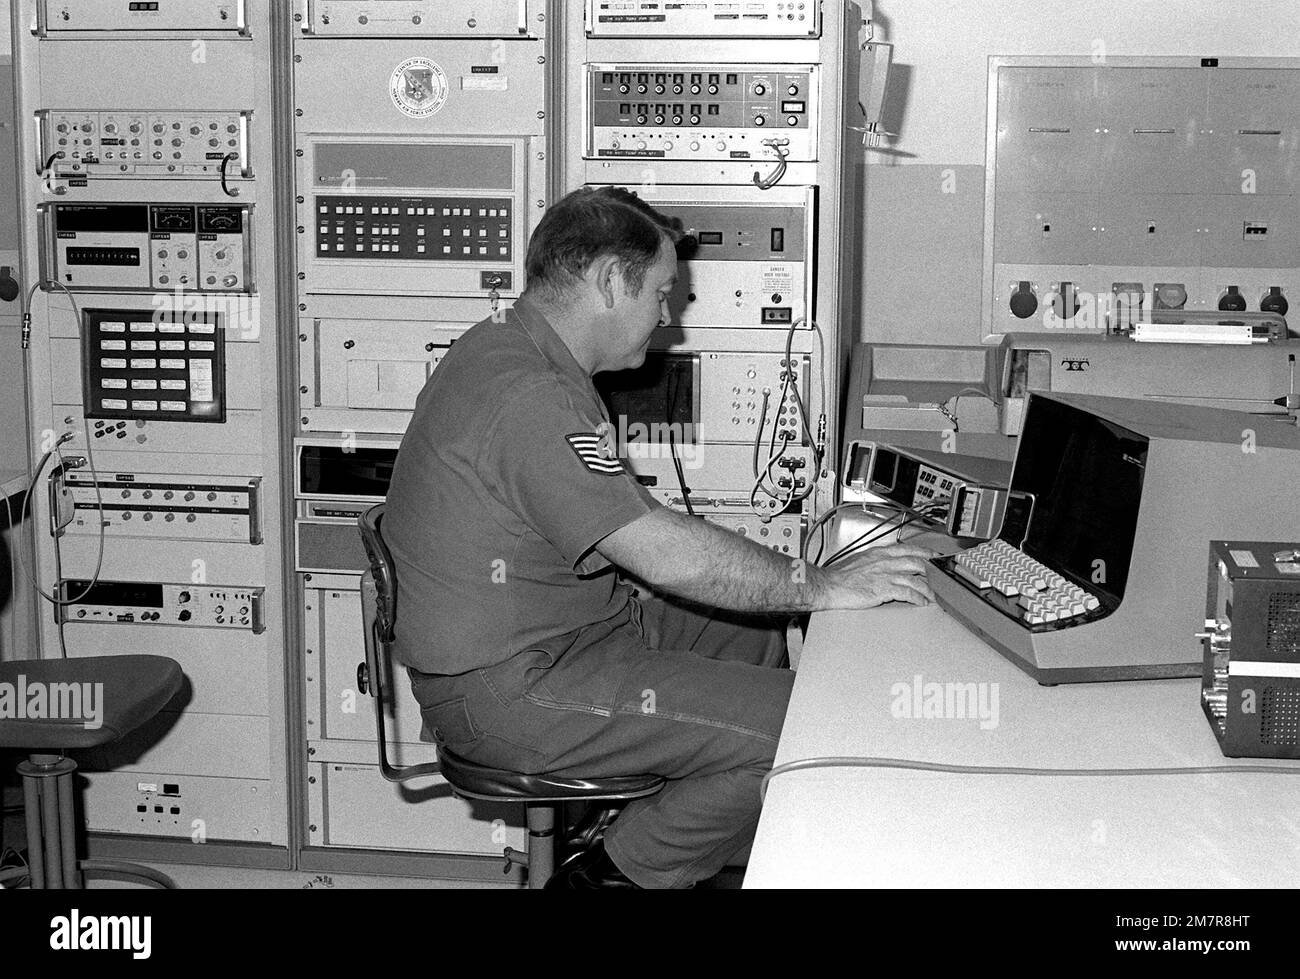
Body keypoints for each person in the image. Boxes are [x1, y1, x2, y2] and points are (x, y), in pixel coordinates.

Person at [383, 186, 935, 889]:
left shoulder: (511, 346)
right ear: (612, 281)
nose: (667, 314)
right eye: (661, 291)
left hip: (566, 630)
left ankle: (692, 826)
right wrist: (821, 583)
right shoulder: (529, 396)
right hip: (511, 687)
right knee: (800, 734)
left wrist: (786, 583)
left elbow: (629, 532)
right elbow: (653, 546)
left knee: (754, 632)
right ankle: (613, 873)